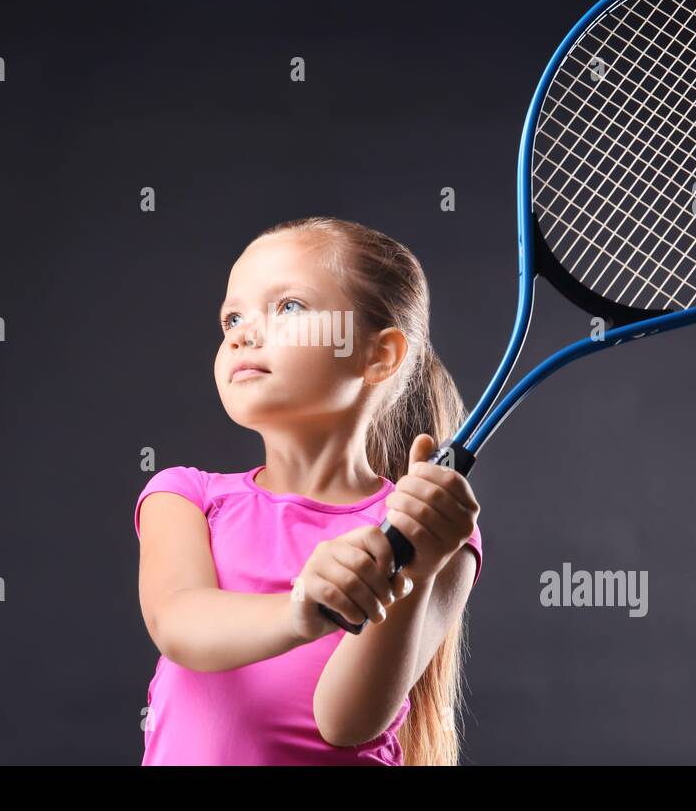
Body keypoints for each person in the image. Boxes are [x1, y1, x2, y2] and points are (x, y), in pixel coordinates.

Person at [133, 216, 483, 765]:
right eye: (232, 316)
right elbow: (178, 621)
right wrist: (301, 610)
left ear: (379, 356)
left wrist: (414, 571)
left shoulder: (438, 535)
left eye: (289, 306)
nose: (242, 333)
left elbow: (347, 722)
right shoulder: (184, 498)